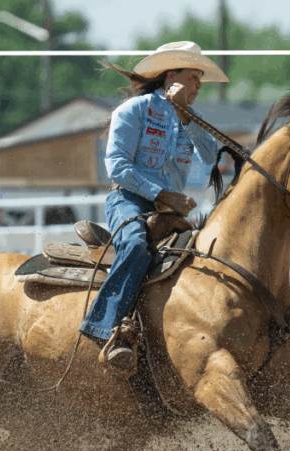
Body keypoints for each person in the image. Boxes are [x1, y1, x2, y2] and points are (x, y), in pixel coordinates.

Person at [79, 41, 228, 367]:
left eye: (201, 78)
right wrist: (164, 196)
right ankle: (105, 327)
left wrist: (185, 116)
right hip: (129, 199)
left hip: (170, 209)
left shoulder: (193, 120)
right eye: (194, 76)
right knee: (134, 245)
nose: (200, 84)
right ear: (171, 76)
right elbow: (117, 167)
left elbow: (211, 156)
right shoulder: (134, 111)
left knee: (206, 256)